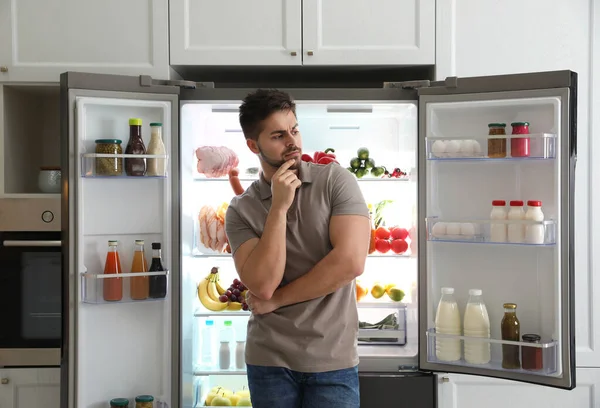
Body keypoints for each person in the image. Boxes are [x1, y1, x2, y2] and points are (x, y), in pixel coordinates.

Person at [224, 88, 370, 408]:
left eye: (295, 129)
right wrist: (278, 208)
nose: (292, 142)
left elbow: (350, 262)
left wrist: (277, 301)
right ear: (253, 145)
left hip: (333, 358)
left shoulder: (335, 181)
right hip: (269, 360)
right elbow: (262, 283)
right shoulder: (241, 210)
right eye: (278, 135)